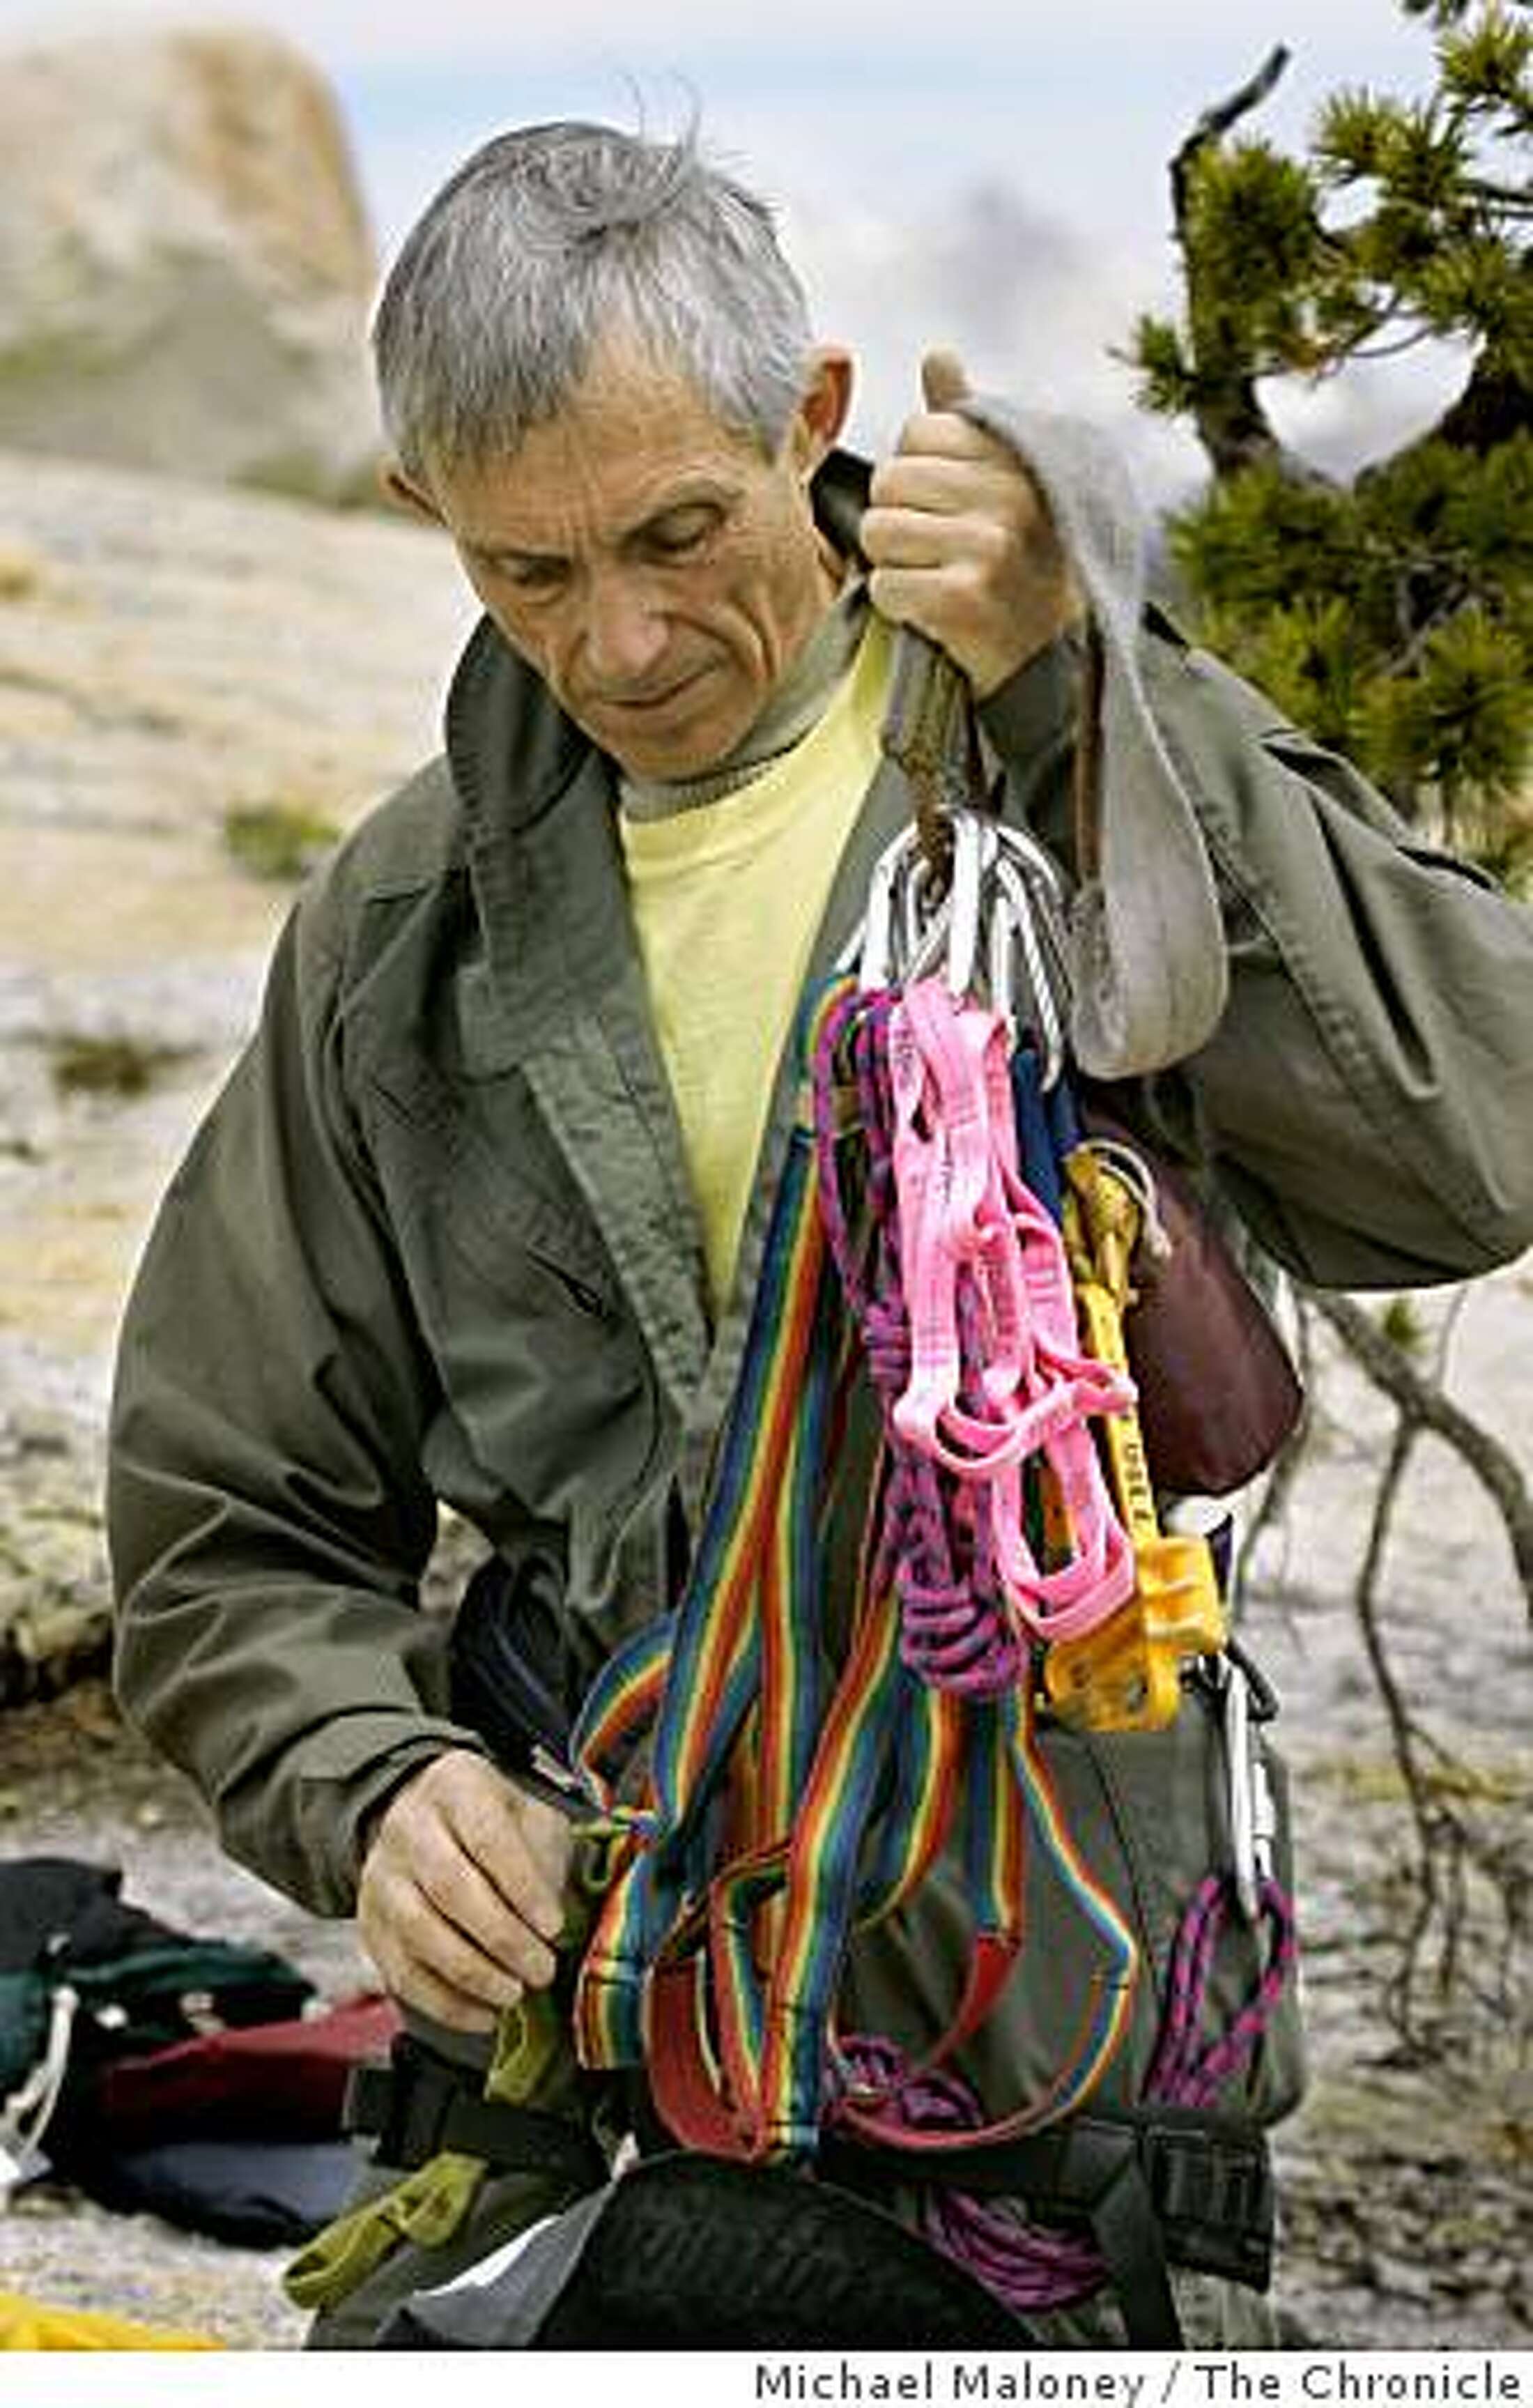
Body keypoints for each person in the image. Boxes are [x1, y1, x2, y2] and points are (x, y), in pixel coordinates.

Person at [107, 120, 1533, 2349]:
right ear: (424, 520)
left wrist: (1089, 687)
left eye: (679, 533)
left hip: (1055, 2063)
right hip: (589, 2064)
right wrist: (373, 1784)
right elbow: (225, 1513)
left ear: (812, 416)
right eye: (528, 575)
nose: (627, 639)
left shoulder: (1066, 746)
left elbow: (1478, 1144)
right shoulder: (404, 933)